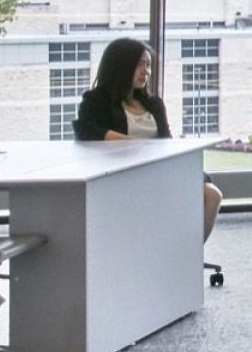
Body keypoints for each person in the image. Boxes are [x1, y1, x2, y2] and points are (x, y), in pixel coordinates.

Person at [72, 37, 222, 239]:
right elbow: (86, 131)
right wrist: (132, 144)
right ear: (121, 66)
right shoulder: (96, 101)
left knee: (212, 195)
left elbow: (166, 141)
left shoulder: (153, 104)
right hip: (123, 173)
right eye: (139, 65)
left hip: (158, 168)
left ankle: (191, 254)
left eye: (148, 65)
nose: (146, 71)